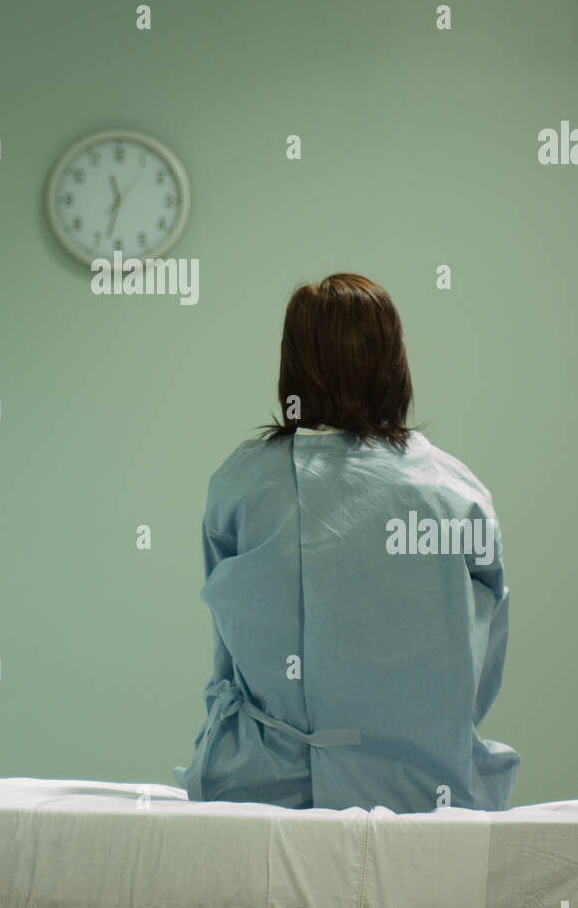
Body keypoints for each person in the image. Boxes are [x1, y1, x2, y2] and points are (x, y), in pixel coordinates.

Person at [173, 273, 520, 813]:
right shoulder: (456, 492)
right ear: (395, 363)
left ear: (292, 366)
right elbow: (481, 659)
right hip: (429, 791)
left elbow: (227, 653)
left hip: (260, 794)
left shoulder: (242, 485)